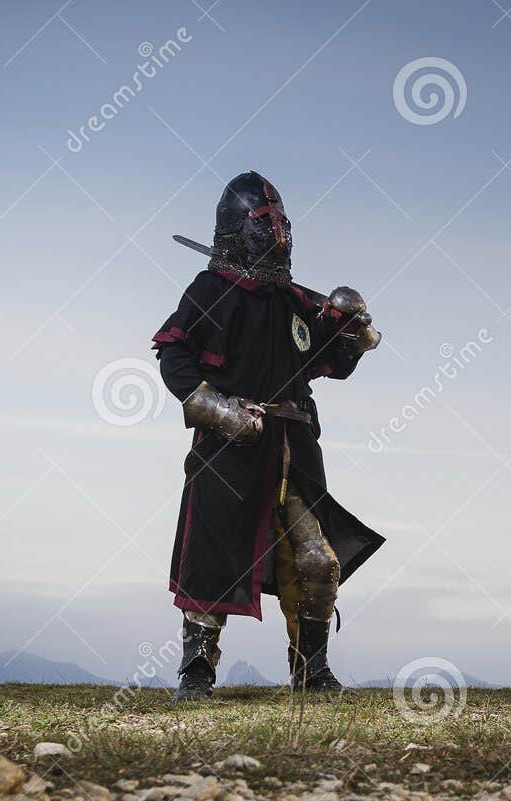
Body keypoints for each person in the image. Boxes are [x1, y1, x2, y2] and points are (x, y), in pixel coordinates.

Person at [151, 170, 384, 701]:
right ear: (239, 229)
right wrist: (217, 409)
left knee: (317, 560)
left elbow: (336, 359)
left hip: (294, 448)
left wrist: (354, 329)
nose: (276, 233)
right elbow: (173, 353)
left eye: (279, 223)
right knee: (213, 555)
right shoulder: (210, 289)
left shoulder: (297, 301)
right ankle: (196, 671)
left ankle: (312, 671)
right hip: (230, 448)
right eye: (264, 223)